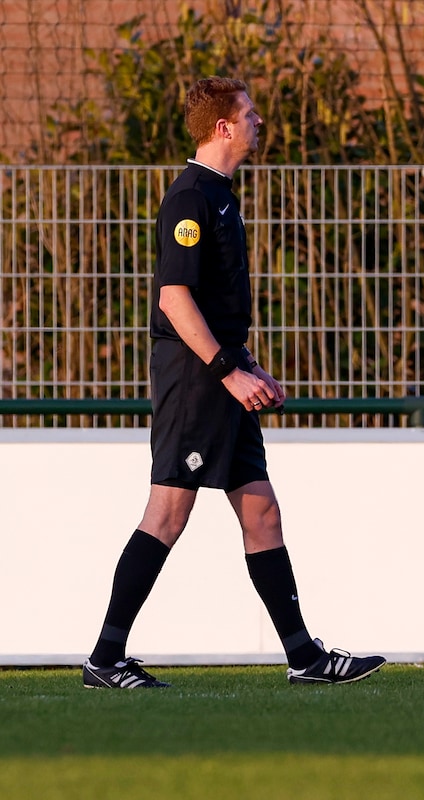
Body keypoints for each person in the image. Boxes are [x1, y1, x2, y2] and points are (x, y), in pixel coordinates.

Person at [83, 77, 386, 688]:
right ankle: (105, 658)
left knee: (262, 512)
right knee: (168, 512)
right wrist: (228, 373)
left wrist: (248, 366)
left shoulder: (221, 195)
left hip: (223, 373)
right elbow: (174, 300)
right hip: (196, 381)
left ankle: (305, 658)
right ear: (222, 127)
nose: (258, 121)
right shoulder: (190, 197)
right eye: (249, 113)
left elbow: (213, 306)